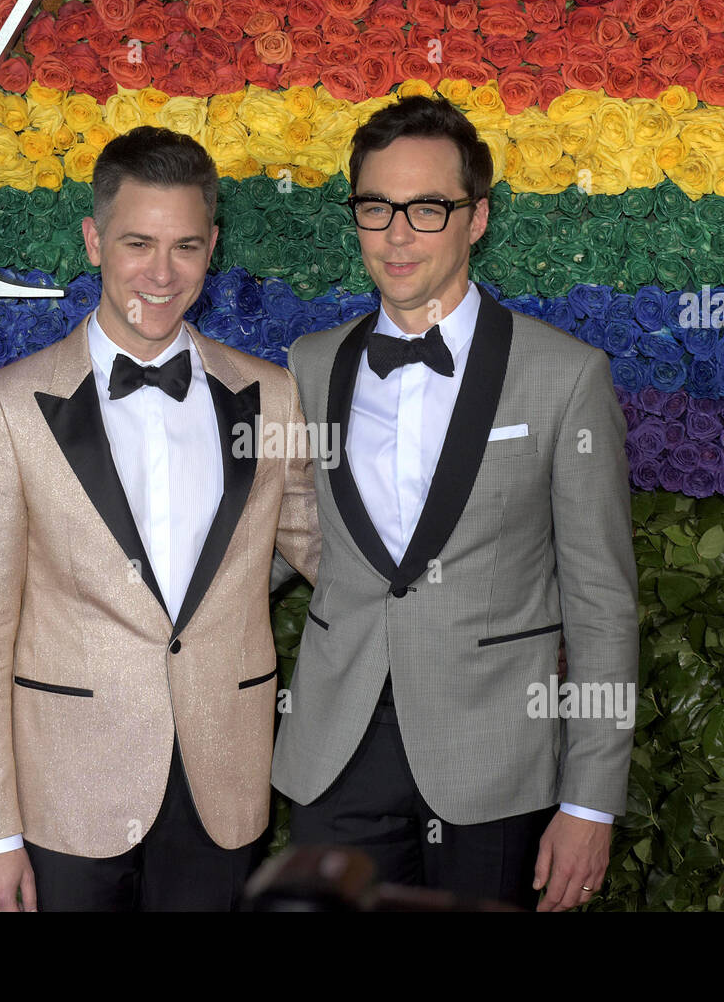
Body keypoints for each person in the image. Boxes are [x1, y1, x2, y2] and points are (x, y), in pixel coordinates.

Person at [271, 94, 638, 911]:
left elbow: (602, 604)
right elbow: (272, 542)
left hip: (496, 761)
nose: (397, 234)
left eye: (427, 208)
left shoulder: (565, 376)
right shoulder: (309, 365)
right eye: (376, 207)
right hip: (336, 750)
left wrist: (589, 800)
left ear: (476, 218)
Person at [0, 126, 319, 911]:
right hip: (66, 794)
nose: (161, 272)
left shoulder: (273, 394)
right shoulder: (10, 407)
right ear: (93, 240)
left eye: (185, 245)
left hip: (224, 780)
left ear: (212, 245)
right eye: (136, 243)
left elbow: (331, 555)